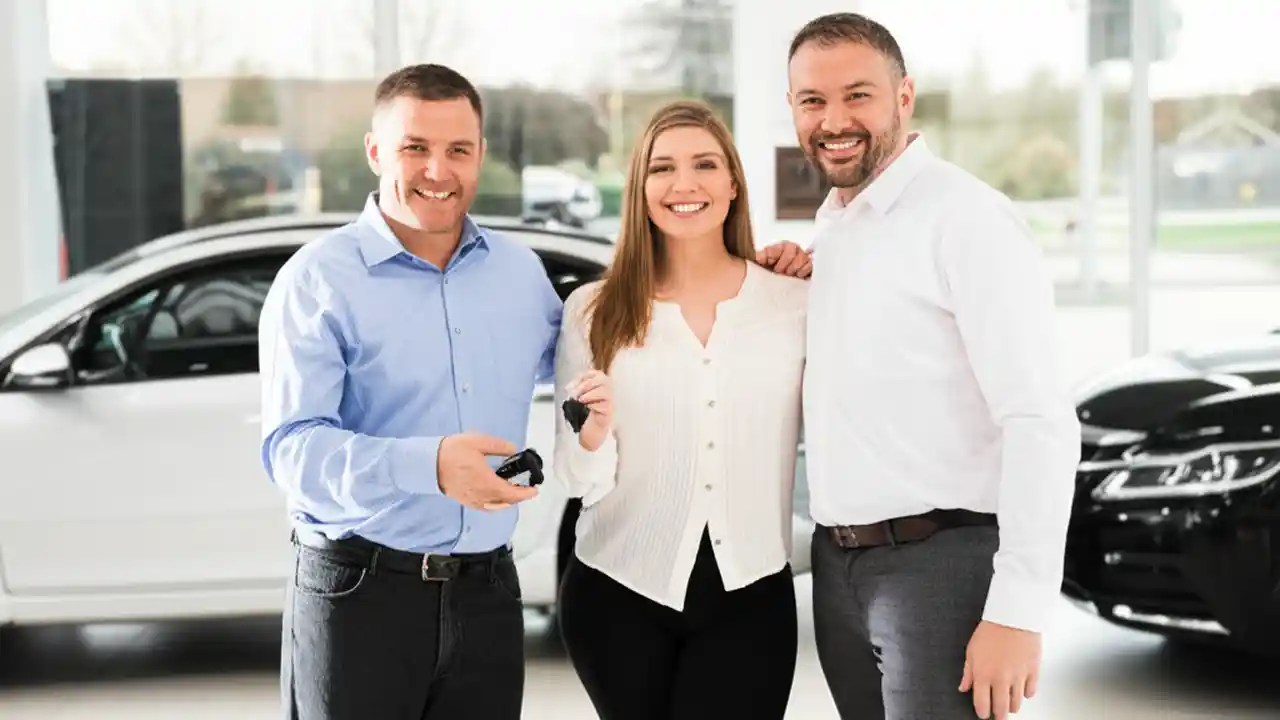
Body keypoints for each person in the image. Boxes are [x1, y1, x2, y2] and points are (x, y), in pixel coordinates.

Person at [773, 12, 1082, 720]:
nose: (834, 121)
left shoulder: (967, 218)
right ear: (792, 108)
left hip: (941, 563)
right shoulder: (837, 224)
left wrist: (1018, 611)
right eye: (813, 101)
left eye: (858, 95)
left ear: (904, 96)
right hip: (839, 566)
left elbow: (1039, 419)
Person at [258, 63, 559, 720]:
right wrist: (430, 466)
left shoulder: (519, 274)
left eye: (458, 150)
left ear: (480, 154)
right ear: (375, 151)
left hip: (487, 595)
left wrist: (754, 270)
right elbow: (293, 453)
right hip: (359, 596)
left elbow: (592, 357)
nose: (437, 170)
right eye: (414, 147)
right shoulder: (317, 280)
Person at [552, 100, 811, 720]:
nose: (684, 183)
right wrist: (594, 436)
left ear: (733, 184)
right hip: (617, 591)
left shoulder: (796, 303)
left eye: (704, 164)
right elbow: (576, 479)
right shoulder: (593, 310)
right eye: (662, 168)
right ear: (640, 190)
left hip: (751, 597)